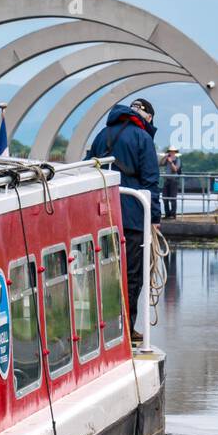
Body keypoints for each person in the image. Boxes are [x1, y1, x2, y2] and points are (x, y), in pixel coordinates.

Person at [86, 98, 161, 344]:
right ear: (147, 118)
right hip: (132, 216)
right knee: (132, 275)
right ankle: (126, 329)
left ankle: (102, 327)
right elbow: (150, 182)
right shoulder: (143, 138)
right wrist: (155, 217)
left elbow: (87, 169)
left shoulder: (101, 135)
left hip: (101, 216)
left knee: (104, 274)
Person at [159, 147, 181, 219]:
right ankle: (167, 214)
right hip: (167, 180)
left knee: (173, 198)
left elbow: (175, 169)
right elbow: (160, 164)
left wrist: (171, 162)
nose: (171, 153)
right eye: (170, 151)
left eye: (172, 151)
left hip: (174, 181)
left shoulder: (178, 160)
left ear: (175, 152)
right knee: (165, 198)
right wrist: (164, 157)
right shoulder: (167, 159)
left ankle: (173, 215)